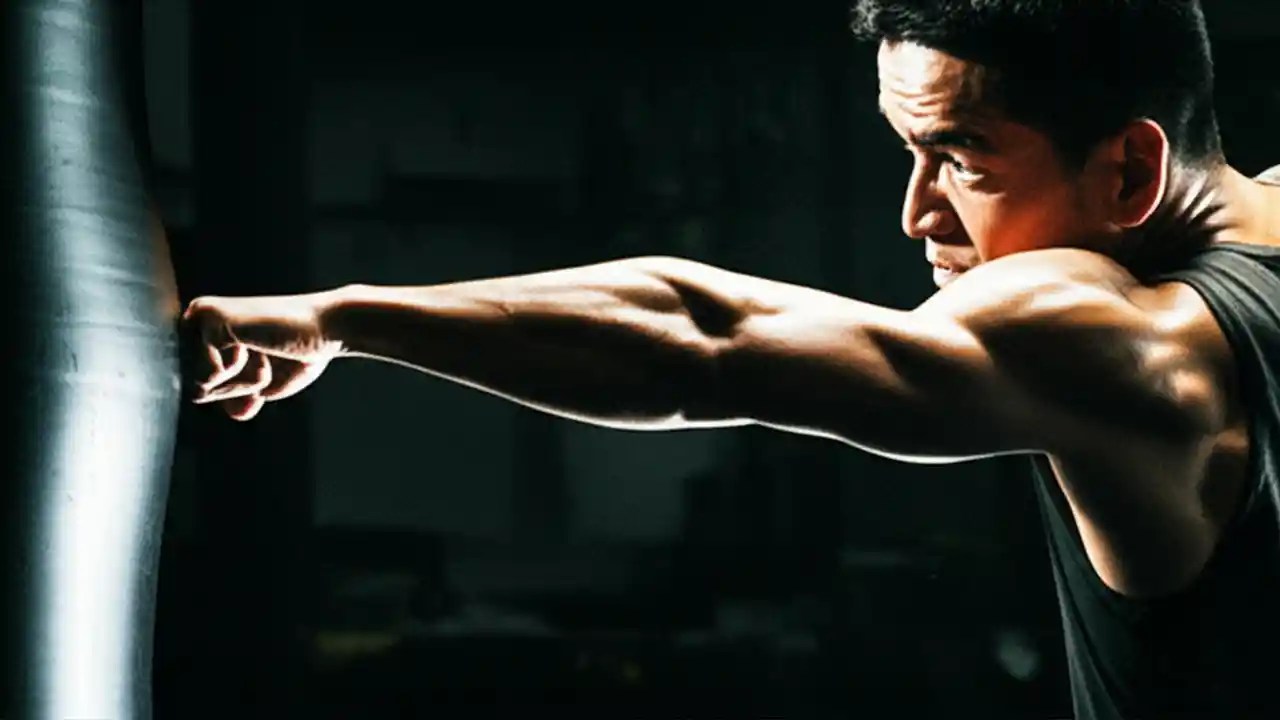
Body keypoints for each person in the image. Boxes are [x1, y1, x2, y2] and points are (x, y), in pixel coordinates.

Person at [183, 1, 1280, 718]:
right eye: (909, 153)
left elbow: (711, 341)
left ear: (1131, 168)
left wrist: (342, 318)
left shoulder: (1122, 343)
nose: (915, 214)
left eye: (959, 158)